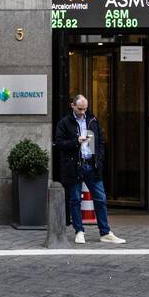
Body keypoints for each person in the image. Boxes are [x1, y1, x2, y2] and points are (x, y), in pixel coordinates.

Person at [52, 94, 125, 244]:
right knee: (75, 199)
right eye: (80, 109)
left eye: (85, 108)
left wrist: (99, 159)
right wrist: (75, 141)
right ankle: (79, 231)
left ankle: (105, 232)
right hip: (74, 166)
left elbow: (100, 142)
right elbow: (59, 144)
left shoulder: (92, 120)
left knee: (100, 198)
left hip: (91, 165)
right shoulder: (64, 123)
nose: (83, 111)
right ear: (72, 105)